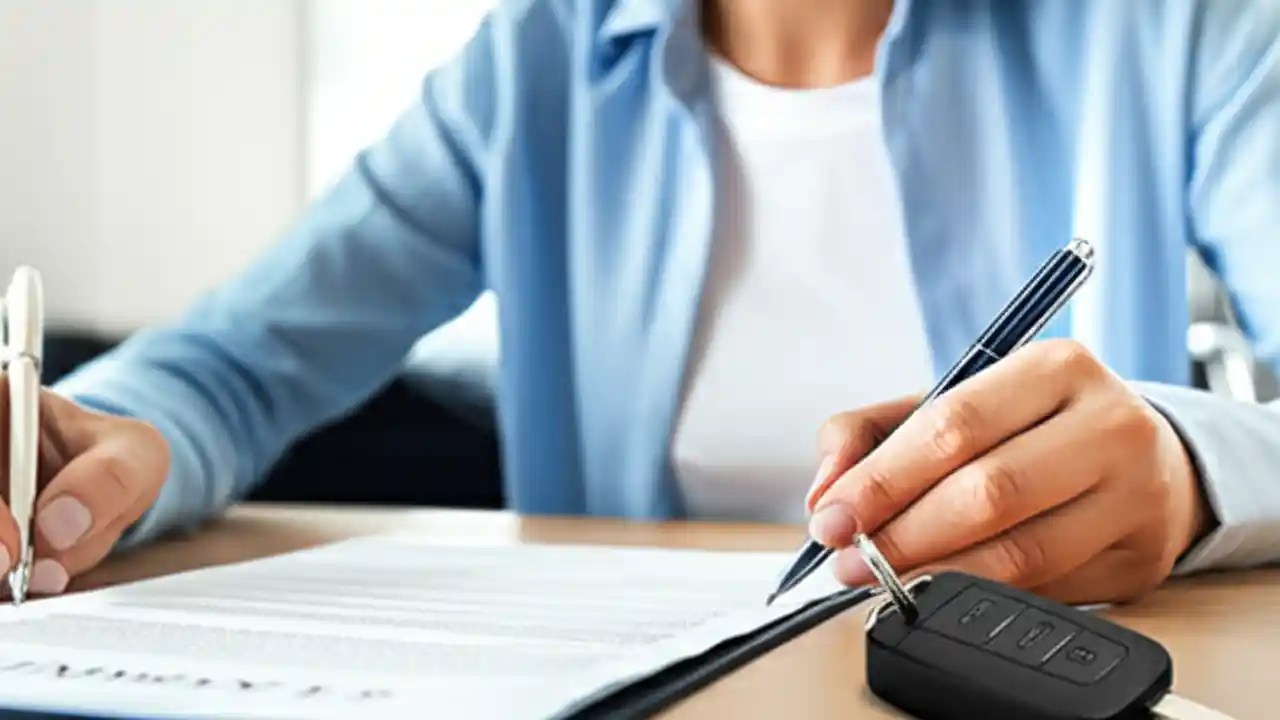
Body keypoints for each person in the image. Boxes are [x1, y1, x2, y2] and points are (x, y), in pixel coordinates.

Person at [7, 0, 1280, 602]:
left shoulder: (1183, 35)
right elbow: (239, 360)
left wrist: (1189, 469)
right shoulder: (533, 65)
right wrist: (84, 440)